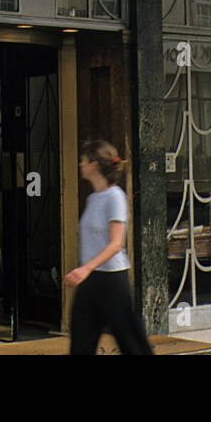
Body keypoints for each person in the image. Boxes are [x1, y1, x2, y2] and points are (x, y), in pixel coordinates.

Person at [64, 140, 154, 355]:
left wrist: (85, 268)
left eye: (83, 161)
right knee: (80, 341)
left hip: (112, 280)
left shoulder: (116, 198)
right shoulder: (92, 199)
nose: (80, 165)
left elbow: (115, 244)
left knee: (131, 342)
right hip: (90, 281)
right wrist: (86, 270)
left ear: (94, 165)